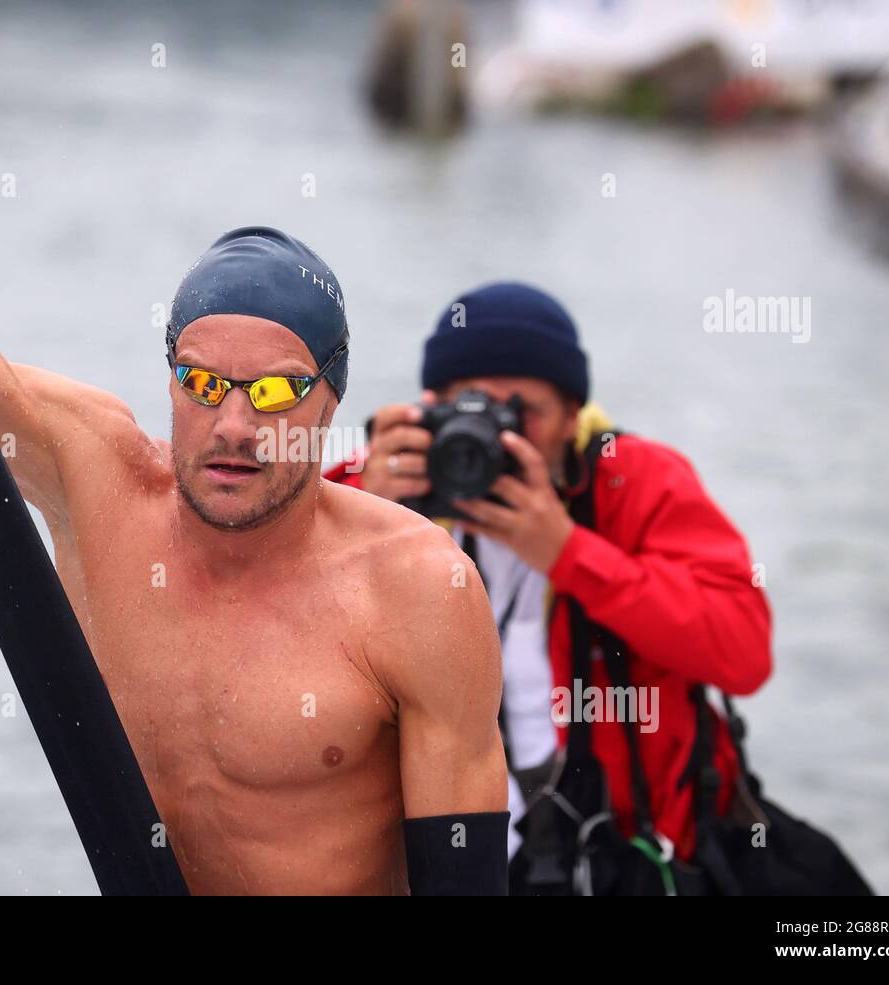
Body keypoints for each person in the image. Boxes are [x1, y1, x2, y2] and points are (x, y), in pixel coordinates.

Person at [0, 81, 511, 894]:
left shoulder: (418, 588)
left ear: (329, 402)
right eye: (202, 384)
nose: (233, 423)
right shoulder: (96, 482)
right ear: (169, 380)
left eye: (272, 392)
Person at [325, 282, 773, 890]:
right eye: (469, 406)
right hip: (440, 852)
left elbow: (744, 651)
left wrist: (567, 552)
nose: (495, 436)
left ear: (572, 418)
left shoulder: (632, 482)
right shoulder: (376, 485)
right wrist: (361, 522)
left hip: (623, 850)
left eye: (522, 414)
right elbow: (263, 639)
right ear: (428, 407)